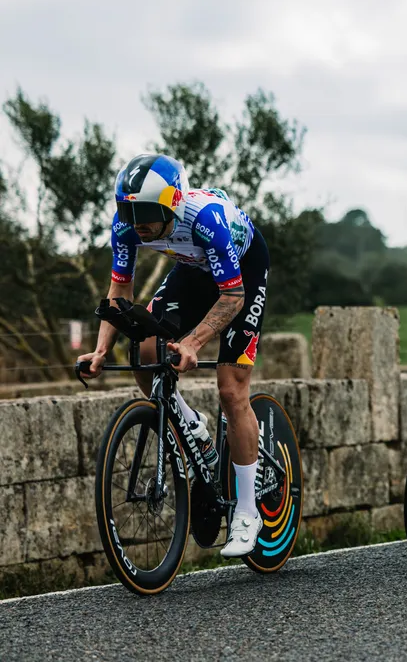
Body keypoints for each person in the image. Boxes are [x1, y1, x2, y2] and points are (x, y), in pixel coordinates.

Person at [77, 154, 268, 557]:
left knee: (231, 391)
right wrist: (99, 350)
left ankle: (249, 511)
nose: (136, 221)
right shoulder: (128, 228)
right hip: (193, 269)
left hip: (242, 273)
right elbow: (119, 295)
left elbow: (232, 296)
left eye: (145, 211)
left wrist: (194, 343)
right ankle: (193, 424)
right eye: (127, 210)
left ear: (173, 202)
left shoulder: (205, 219)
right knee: (146, 349)